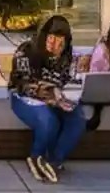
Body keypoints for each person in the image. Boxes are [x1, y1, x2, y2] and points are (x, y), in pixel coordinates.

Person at [7, 15, 85, 184]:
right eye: (51, 38)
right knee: (48, 120)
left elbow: (71, 82)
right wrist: (48, 94)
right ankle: (36, 156)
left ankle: (54, 161)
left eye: (60, 40)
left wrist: (66, 98)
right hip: (25, 97)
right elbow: (22, 83)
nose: (55, 44)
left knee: (77, 118)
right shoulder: (27, 50)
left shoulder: (70, 57)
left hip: (58, 98)